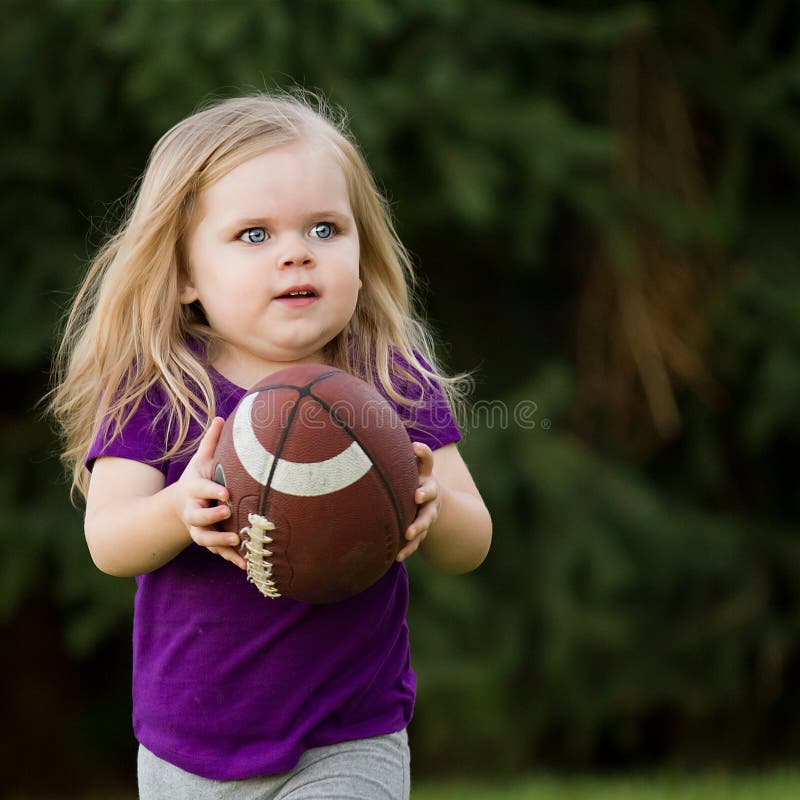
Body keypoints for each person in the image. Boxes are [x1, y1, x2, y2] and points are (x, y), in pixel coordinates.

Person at [49, 91, 492, 799]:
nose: (296, 254)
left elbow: (473, 543)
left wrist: (430, 506)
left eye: (325, 228)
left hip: (349, 734)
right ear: (185, 275)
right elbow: (108, 541)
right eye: (254, 234)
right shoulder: (161, 387)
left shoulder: (387, 378)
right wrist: (178, 511)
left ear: (361, 250)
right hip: (188, 746)